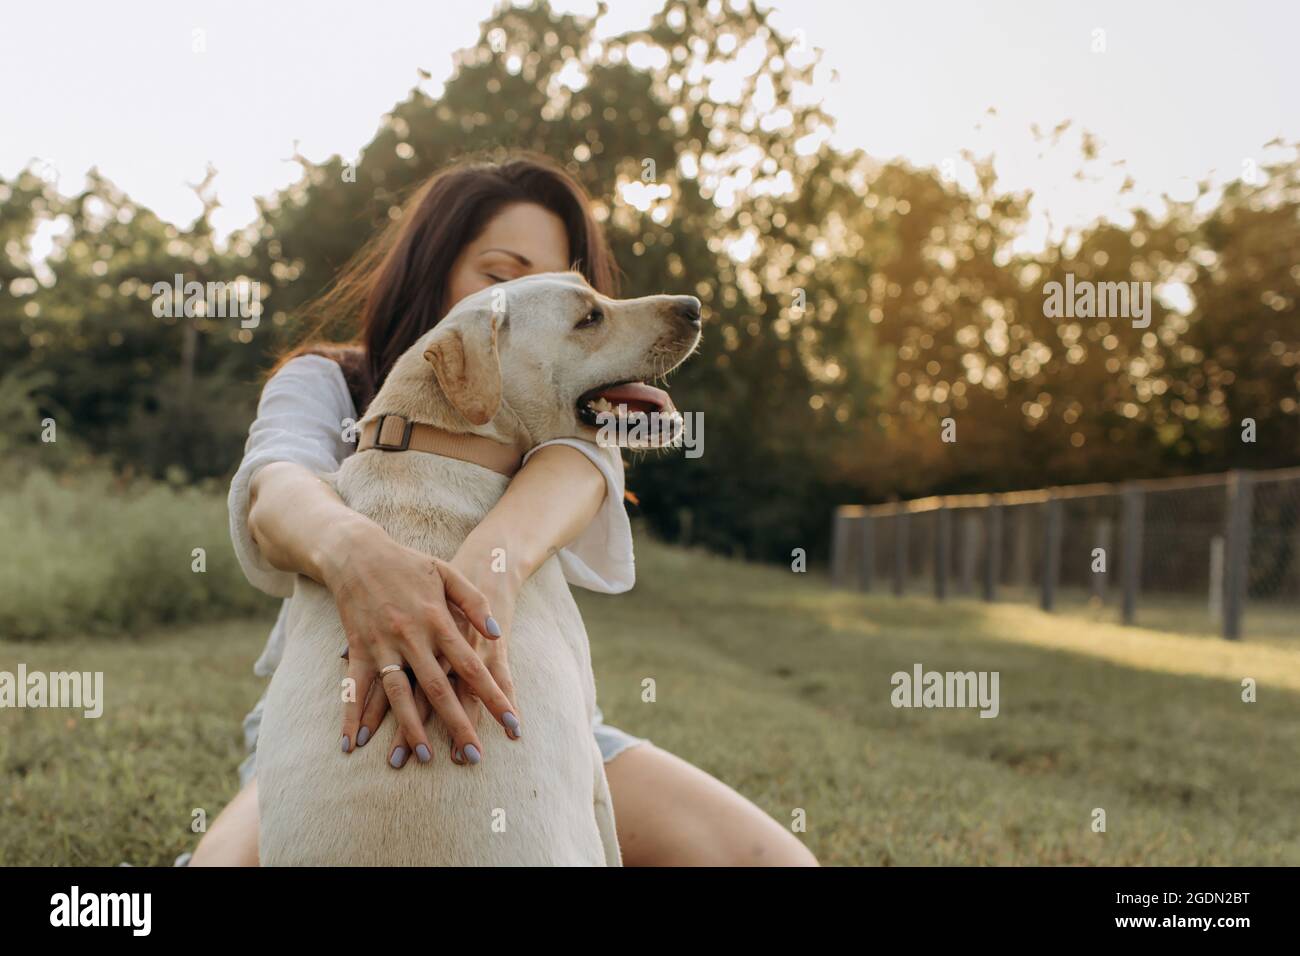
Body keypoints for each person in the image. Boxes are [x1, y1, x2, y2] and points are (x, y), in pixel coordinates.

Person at [190, 153, 816, 867]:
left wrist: (491, 570)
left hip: (521, 712)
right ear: (432, 271)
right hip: (337, 707)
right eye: (502, 273)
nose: (528, 297)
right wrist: (358, 558)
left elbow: (571, 476)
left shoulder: (568, 417)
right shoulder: (329, 380)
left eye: (556, 286)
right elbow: (277, 486)